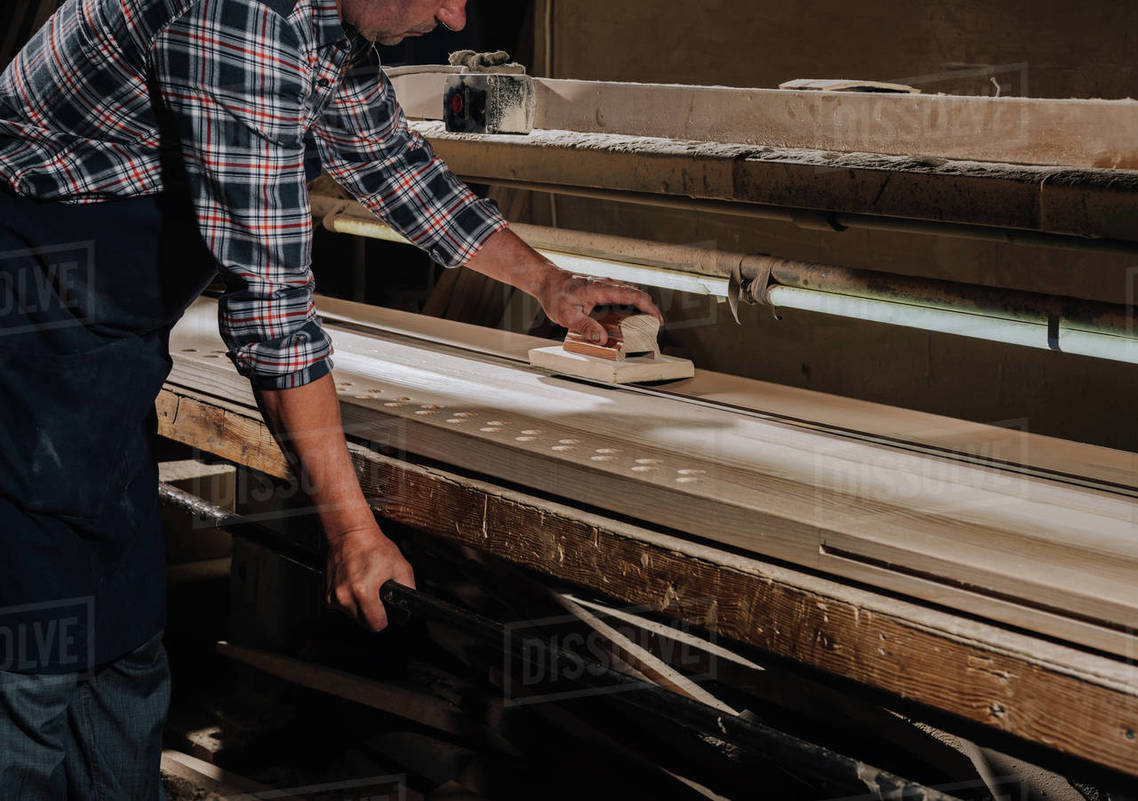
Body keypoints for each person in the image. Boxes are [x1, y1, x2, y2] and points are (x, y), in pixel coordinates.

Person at [0, 0, 661, 796]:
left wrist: (549, 282)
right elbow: (273, 316)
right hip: (29, 327)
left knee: (121, 623)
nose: (454, 19)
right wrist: (352, 530)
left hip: (103, 350)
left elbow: (391, 166)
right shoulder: (242, 16)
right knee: (32, 637)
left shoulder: (320, 24)